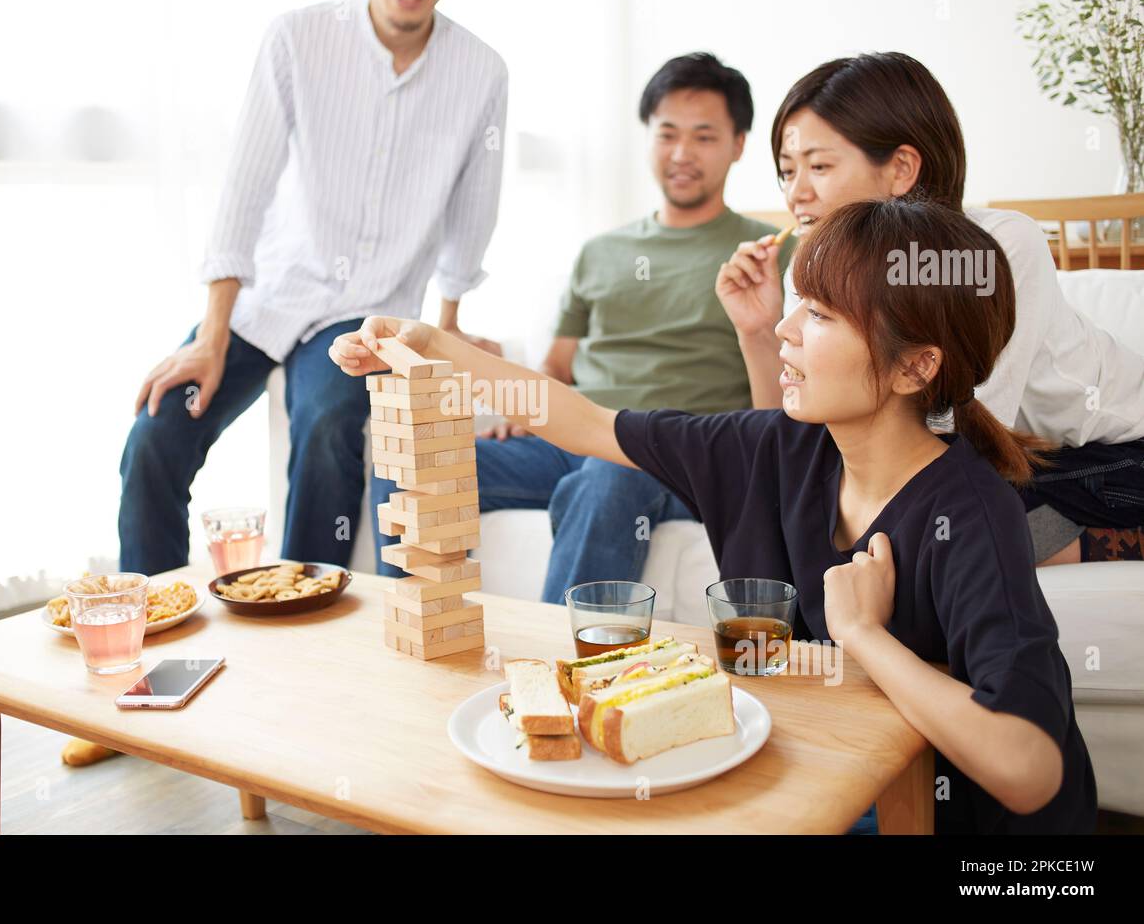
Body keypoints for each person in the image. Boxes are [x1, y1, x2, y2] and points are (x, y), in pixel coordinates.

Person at [330, 198, 1097, 834]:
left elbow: (1028, 770)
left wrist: (863, 634)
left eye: (822, 315)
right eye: (799, 304)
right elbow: (585, 422)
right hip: (847, 782)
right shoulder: (774, 448)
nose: (787, 330)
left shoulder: (972, 512)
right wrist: (431, 342)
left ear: (915, 365)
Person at [117, 0, 507, 580]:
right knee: (156, 434)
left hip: (364, 313)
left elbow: (473, 208)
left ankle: (302, 608)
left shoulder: (482, 71)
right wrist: (211, 337)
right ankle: (155, 614)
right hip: (264, 299)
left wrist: (446, 329)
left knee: (328, 424)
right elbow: (244, 189)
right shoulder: (297, 37)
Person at [715, 52, 1144, 566]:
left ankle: (1107, 542)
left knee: (951, 531)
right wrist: (758, 331)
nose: (796, 193)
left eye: (819, 166)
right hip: (984, 462)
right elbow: (791, 447)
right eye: (786, 171)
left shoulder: (996, 249)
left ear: (901, 169)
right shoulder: (810, 268)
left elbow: (965, 443)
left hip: (1100, 455)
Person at [476, 53, 794, 603]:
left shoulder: (765, 254)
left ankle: (563, 674)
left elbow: (782, 389)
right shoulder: (600, 251)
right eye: (667, 134)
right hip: (574, 435)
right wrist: (521, 408)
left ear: (739, 144)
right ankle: (406, 647)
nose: (680, 154)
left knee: (608, 475)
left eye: (703, 137)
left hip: (673, 453)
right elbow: (557, 365)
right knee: (416, 460)